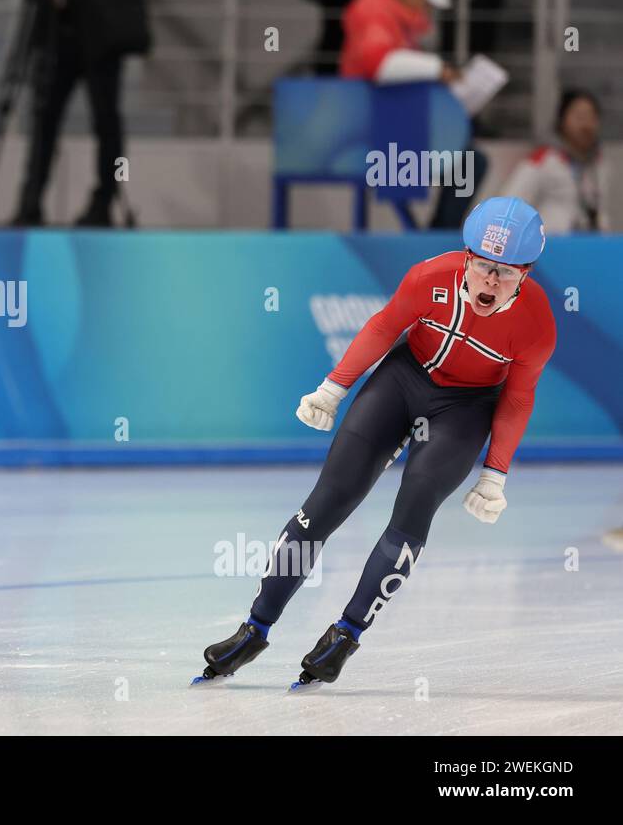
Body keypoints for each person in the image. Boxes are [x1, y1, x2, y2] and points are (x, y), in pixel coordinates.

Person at [196, 196, 556, 688]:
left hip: (465, 409)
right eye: (484, 266)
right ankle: (255, 627)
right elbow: (385, 326)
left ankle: (346, 634)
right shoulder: (429, 276)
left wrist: (495, 473)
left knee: (413, 512)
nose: (491, 281)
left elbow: (516, 399)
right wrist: (333, 387)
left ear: (526, 274)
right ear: (467, 257)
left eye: (506, 273)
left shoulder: (537, 325)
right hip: (403, 381)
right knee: (325, 503)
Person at [8, 0, 153, 227]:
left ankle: (105, 201)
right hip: (60, 28)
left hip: (103, 32)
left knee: (106, 119)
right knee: (44, 118)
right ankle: (30, 202)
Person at [341, 0, 487, 228]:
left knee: (470, 160)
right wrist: (438, 70)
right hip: (371, 131)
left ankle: (436, 234)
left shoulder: (398, 26)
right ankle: (434, 237)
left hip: (394, 126)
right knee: (470, 161)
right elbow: (379, 65)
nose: (428, 10)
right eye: (427, 1)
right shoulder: (373, 10)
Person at [504, 89, 610, 233]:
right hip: (551, 245)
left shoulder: (599, 163)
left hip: (591, 243)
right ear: (562, 121)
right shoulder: (543, 159)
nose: (586, 125)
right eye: (579, 117)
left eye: (592, 117)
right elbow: (509, 205)